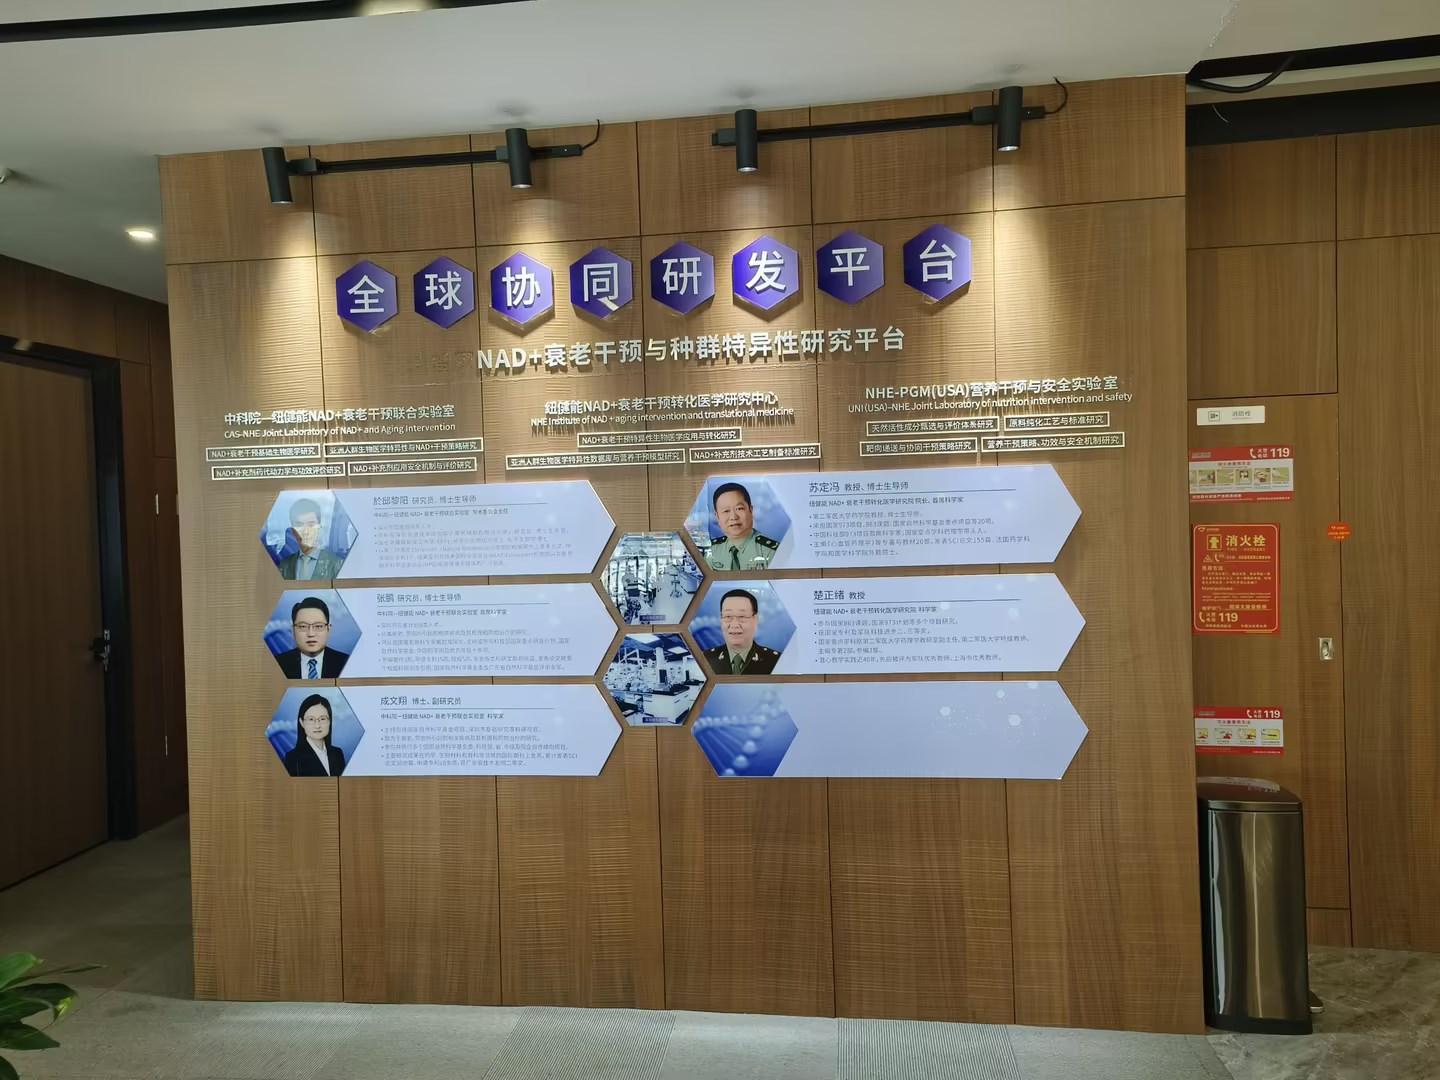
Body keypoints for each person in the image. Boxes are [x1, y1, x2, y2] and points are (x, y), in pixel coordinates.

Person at [703, 588, 781, 675]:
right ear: (721, 619)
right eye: (728, 616)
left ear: (755, 619)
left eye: (742, 616)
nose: (734, 625)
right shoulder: (704, 659)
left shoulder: (777, 661)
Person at [704, 481, 779, 571]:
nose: (733, 517)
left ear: (751, 510)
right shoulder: (712, 551)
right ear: (717, 517)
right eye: (726, 511)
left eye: (739, 508)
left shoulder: (771, 552)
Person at [273, 597, 350, 679]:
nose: (311, 634)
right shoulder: (276, 664)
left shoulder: (347, 663)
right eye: (303, 626)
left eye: (318, 626)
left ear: (328, 629)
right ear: (293, 630)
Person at [277, 498, 344, 580]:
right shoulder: (284, 565)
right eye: (299, 525)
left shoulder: (336, 564)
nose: (306, 531)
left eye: (311, 525)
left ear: (319, 528)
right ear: (293, 531)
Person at [282, 693, 347, 777]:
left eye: (322, 719)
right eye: (311, 719)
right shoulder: (292, 758)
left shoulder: (337, 753)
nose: (317, 725)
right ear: (302, 722)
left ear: (330, 721)